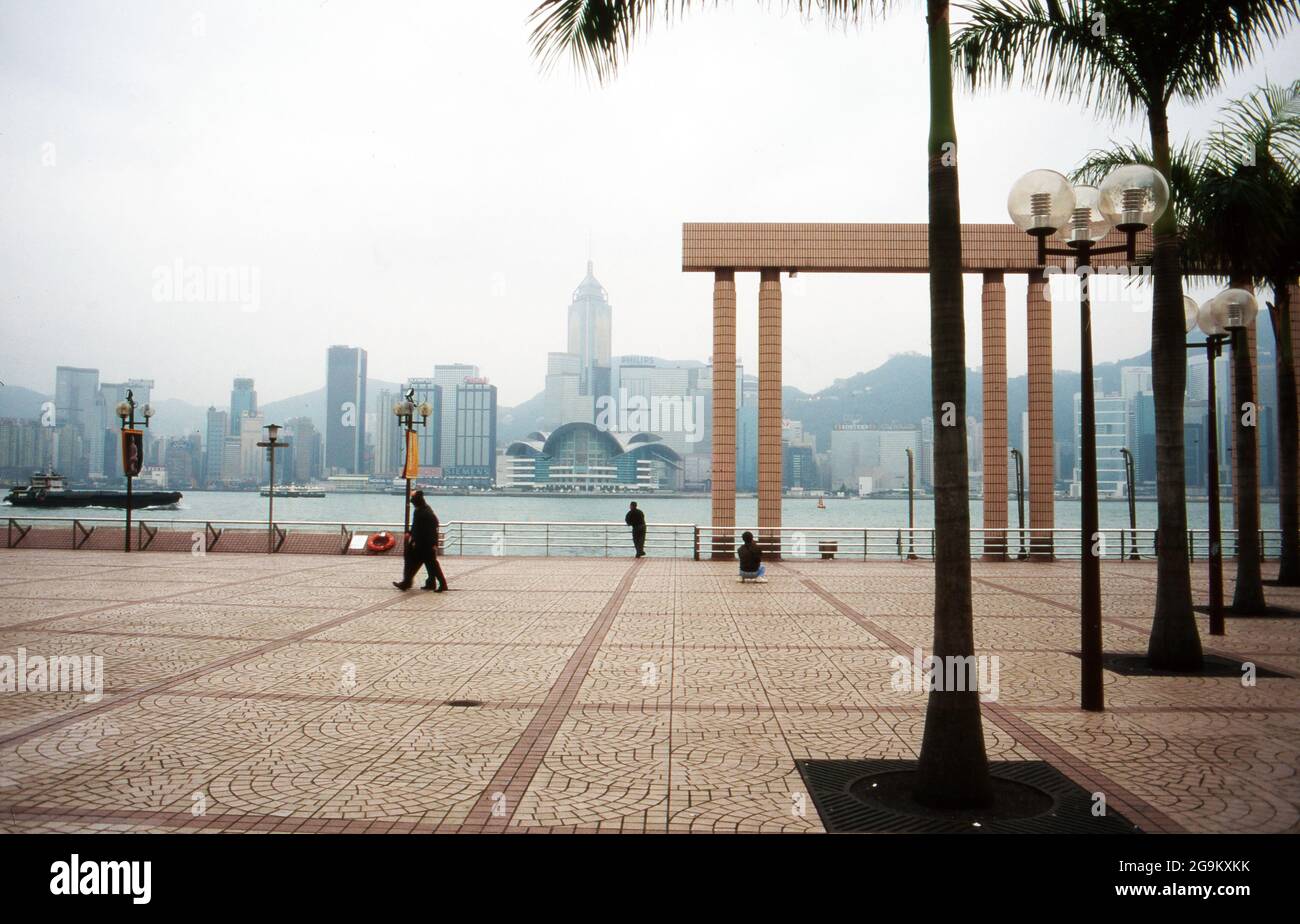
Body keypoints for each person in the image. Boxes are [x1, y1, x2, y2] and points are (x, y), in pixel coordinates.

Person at [393, 491, 448, 591]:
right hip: (423, 543)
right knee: (430, 564)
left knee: (417, 563)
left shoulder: (424, 513)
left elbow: (429, 529)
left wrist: (431, 543)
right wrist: (410, 533)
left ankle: (407, 583)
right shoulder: (423, 510)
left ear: (416, 503)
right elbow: (416, 526)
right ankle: (430, 583)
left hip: (424, 544)